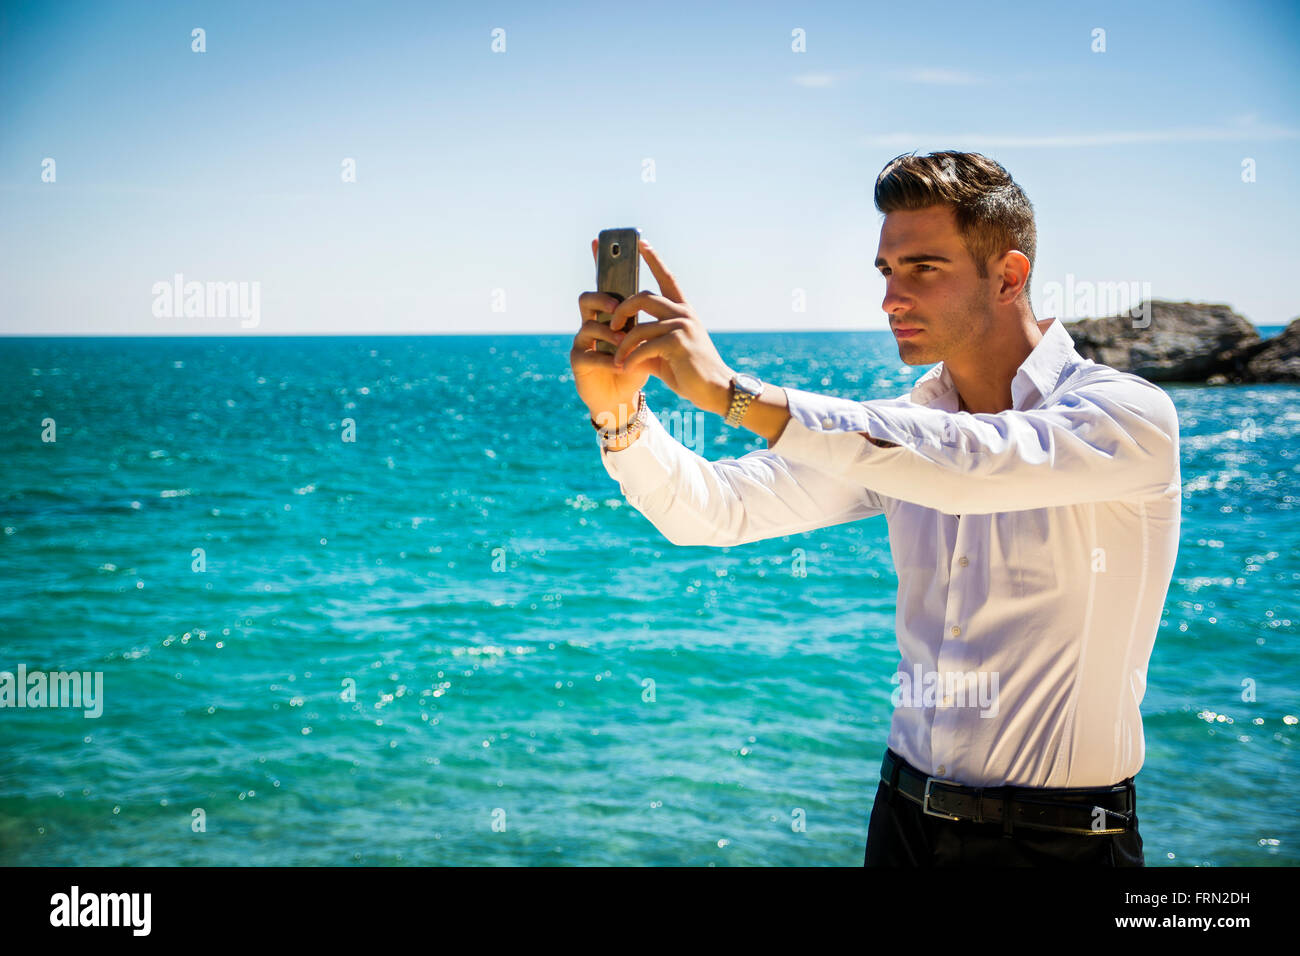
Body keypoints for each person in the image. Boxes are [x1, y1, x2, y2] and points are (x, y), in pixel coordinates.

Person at [569, 150, 1180, 866]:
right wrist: (621, 418)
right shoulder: (891, 437)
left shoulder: (1127, 418)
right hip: (902, 823)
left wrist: (732, 395)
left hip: (1062, 843)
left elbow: (969, 466)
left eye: (924, 268)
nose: (892, 298)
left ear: (1009, 276)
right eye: (887, 272)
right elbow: (716, 511)